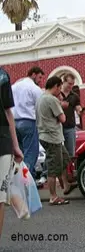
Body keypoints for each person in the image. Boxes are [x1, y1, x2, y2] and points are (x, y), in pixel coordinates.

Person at [36, 76, 76, 205]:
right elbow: (63, 118)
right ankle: (53, 196)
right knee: (53, 168)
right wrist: (60, 104)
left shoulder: (41, 98)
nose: (60, 91)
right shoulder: (51, 99)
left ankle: (66, 185)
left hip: (46, 135)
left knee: (64, 159)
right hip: (52, 137)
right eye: (59, 88)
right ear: (56, 86)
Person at [0, 67, 24, 238]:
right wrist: (15, 145)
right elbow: (8, 111)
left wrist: (15, 145)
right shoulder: (2, 75)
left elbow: (8, 111)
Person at [11, 66, 45, 178]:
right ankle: (26, 180)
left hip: (14, 122)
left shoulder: (14, 86)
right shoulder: (34, 89)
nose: (40, 81)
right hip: (29, 122)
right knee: (30, 154)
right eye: (39, 77)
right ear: (33, 74)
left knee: (19, 154)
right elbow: (41, 107)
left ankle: (19, 180)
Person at [60, 73, 84, 157]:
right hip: (58, 127)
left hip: (70, 126)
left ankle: (70, 169)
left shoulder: (74, 96)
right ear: (64, 82)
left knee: (71, 153)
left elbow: (78, 108)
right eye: (69, 84)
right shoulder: (57, 94)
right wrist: (60, 104)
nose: (71, 86)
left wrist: (80, 111)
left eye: (73, 84)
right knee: (57, 152)